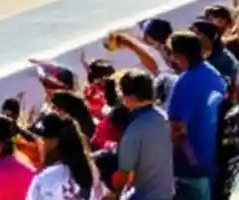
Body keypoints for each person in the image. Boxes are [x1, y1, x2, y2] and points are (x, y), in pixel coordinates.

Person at [164, 31, 226, 200]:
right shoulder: (214, 74)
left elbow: (176, 128)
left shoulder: (183, 84)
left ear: (179, 56)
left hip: (190, 165)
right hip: (213, 156)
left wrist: (191, 159)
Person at [111, 68, 174, 200]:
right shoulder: (163, 116)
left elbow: (123, 174)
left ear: (130, 97)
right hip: (167, 193)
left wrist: (115, 195)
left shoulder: (134, 128)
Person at [26, 113, 103, 200]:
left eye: (42, 141)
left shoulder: (44, 179)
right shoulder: (91, 170)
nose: (41, 146)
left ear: (52, 143)